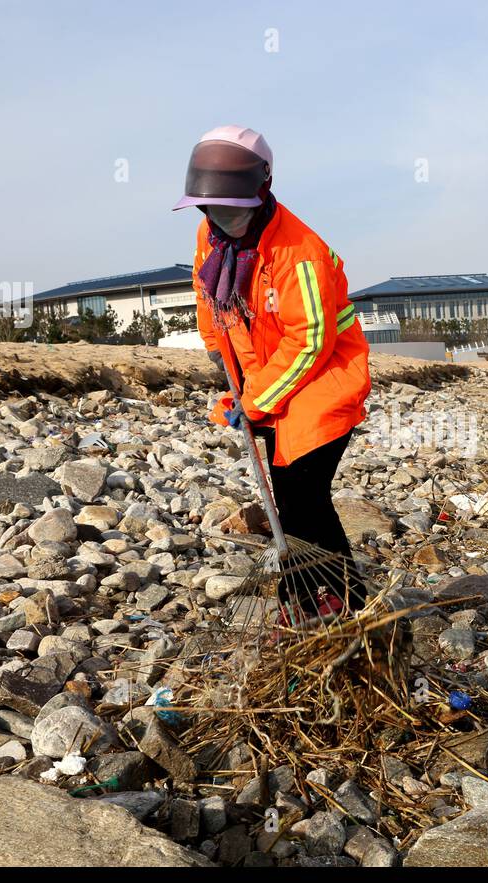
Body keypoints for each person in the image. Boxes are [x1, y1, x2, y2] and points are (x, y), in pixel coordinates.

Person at [174, 125, 371, 617]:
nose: (221, 220)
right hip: (272, 382)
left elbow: (309, 342)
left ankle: (339, 600)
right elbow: (209, 297)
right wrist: (217, 350)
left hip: (325, 380)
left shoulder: (299, 252)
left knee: (304, 494)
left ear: (261, 191)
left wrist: (255, 400)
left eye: (231, 210)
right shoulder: (213, 237)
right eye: (211, 210)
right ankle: (305, 596)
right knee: (288, 497)